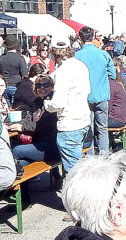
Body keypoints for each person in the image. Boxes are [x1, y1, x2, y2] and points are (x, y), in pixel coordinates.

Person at [45, 41, 91, 173]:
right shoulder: (80, 65)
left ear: (54, 53)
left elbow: (58, 103)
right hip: (83, 120)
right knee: (78, 167)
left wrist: (47, 104)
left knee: (73, 173)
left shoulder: (63, 71)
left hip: (70, 125)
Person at [75, 26, 115, 155]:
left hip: (84, 98)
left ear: (80, 38)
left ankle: (90, 158)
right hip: (101, 95)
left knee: (89, 130)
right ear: (93, 38)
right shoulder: (103, 54)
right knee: (102, 128)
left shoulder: (77, 56)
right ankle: (104, 156)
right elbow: (112, 75)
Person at [0, 37, 29, 102]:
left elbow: (0, 71)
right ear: (16, 46)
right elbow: (25, 74)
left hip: (4, 86)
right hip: (16, 86)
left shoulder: (1, 58)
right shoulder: (19, 58)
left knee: (6, 106)